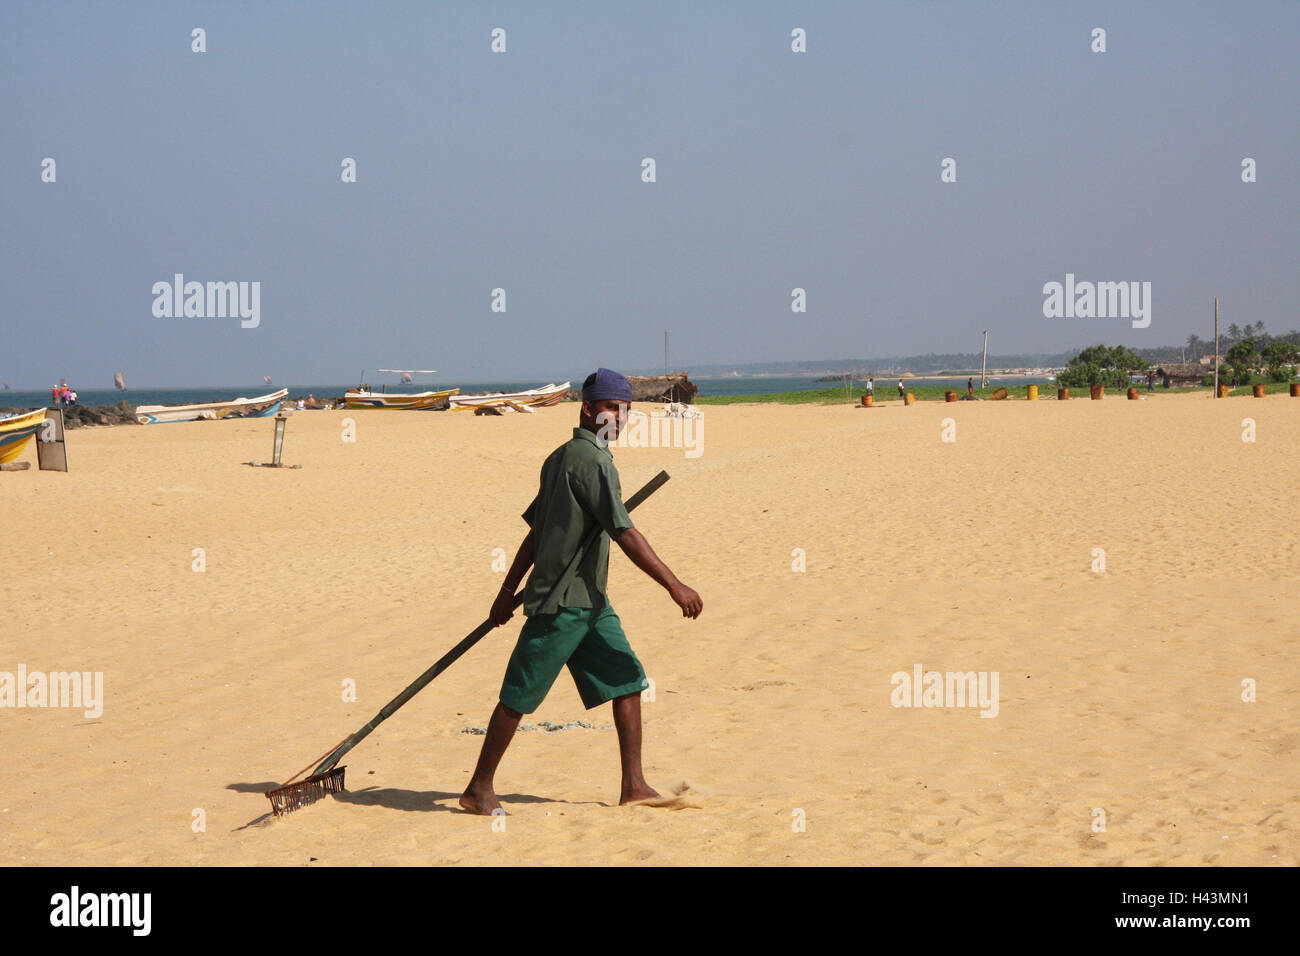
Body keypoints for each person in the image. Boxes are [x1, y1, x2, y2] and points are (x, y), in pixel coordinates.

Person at [460, 367, 703, 815]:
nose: (620, 416)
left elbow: (538, 533)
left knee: (627, 680)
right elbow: (624, 532)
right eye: (612, 407)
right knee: (519, 695)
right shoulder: (590, 462)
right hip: (562, 603)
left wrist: (506, 590)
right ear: (589, 409)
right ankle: (478, 788)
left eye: (626, 409)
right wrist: (674, 584)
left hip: (592, 601)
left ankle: (634, 785)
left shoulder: (560, 458)